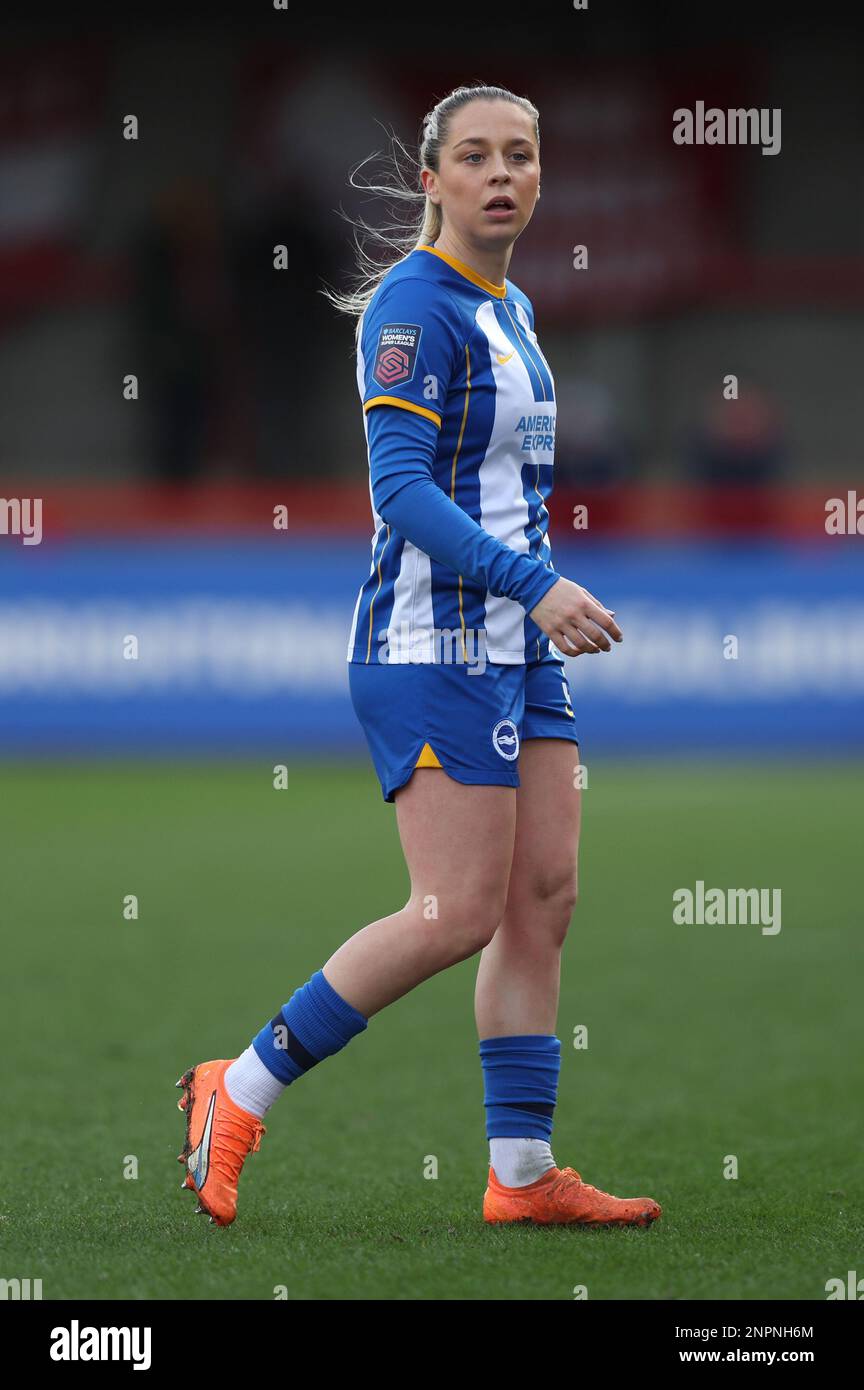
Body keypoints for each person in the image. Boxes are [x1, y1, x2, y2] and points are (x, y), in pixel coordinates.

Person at [176, 82, 661, 1231]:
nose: (503, 175)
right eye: (478, 156)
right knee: (454, 911)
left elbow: (506, 491)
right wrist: (539, 586)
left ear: (541, 178)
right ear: (432, 179)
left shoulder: (515, 309)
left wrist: (535, 605)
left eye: (523, 157)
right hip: (429, 642)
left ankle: (522, 1171)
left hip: (516, 650)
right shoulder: (413, 307)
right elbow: (400, 493)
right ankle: (234, 1089)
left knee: (542, 897)